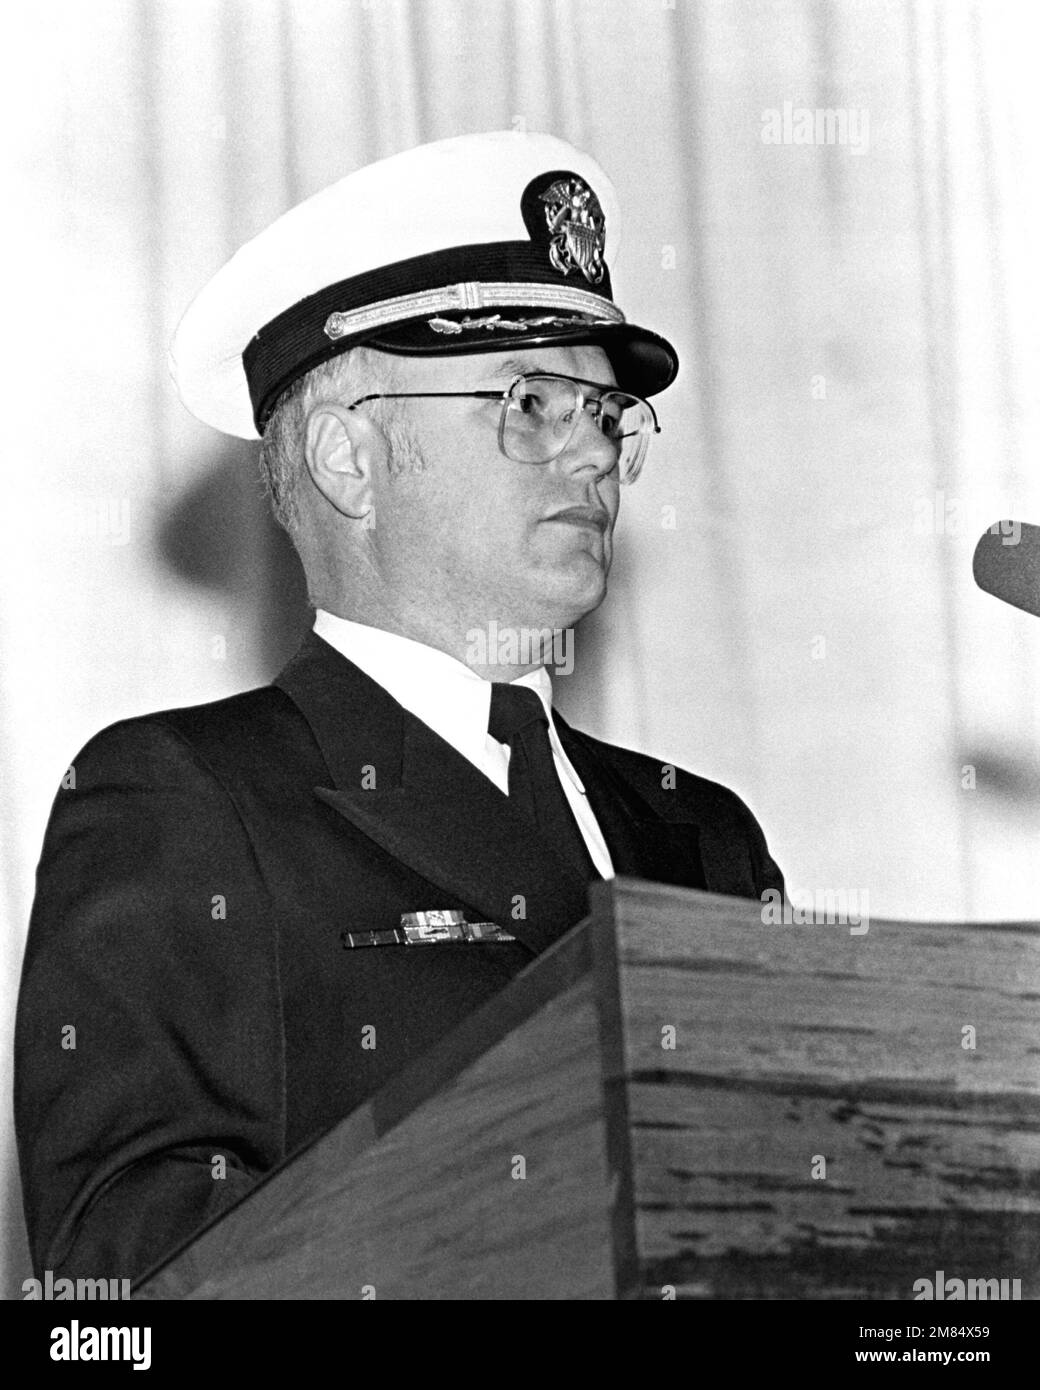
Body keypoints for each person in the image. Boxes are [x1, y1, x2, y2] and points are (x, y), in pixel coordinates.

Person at [15, 131, 784, 1286]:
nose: (592, 453)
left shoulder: (707, 838)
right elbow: (120, 1277)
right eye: (530, 400)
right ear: (348, 459)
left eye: (605, 411)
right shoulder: (182, 802)